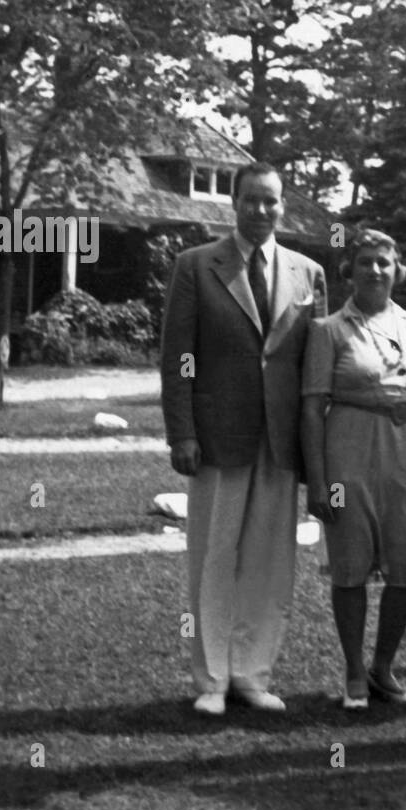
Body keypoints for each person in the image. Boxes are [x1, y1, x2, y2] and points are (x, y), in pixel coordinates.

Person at [160, 163, 327, 717]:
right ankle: (211, 679)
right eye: (251, 200)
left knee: (269, 561)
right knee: (215, 556)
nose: (261, 210)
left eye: (271, 201)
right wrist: (181, 431)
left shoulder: (309, 273)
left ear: (283, 207)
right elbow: (178, 358)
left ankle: (252, 673)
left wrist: (315, 446)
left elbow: (315, 368)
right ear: (233, 204)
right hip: (217, 437)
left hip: (280, 441)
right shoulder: (196, 266)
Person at [301, 229, 406, 710]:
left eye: (385, 261)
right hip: (350, 450)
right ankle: (355, 671)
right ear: (349, 271)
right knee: (351, 560)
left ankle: (384, 667)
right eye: (365, 262)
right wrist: (318, 481)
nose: (376, 270)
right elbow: (311, 407)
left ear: (398, 268)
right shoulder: (329, 330)